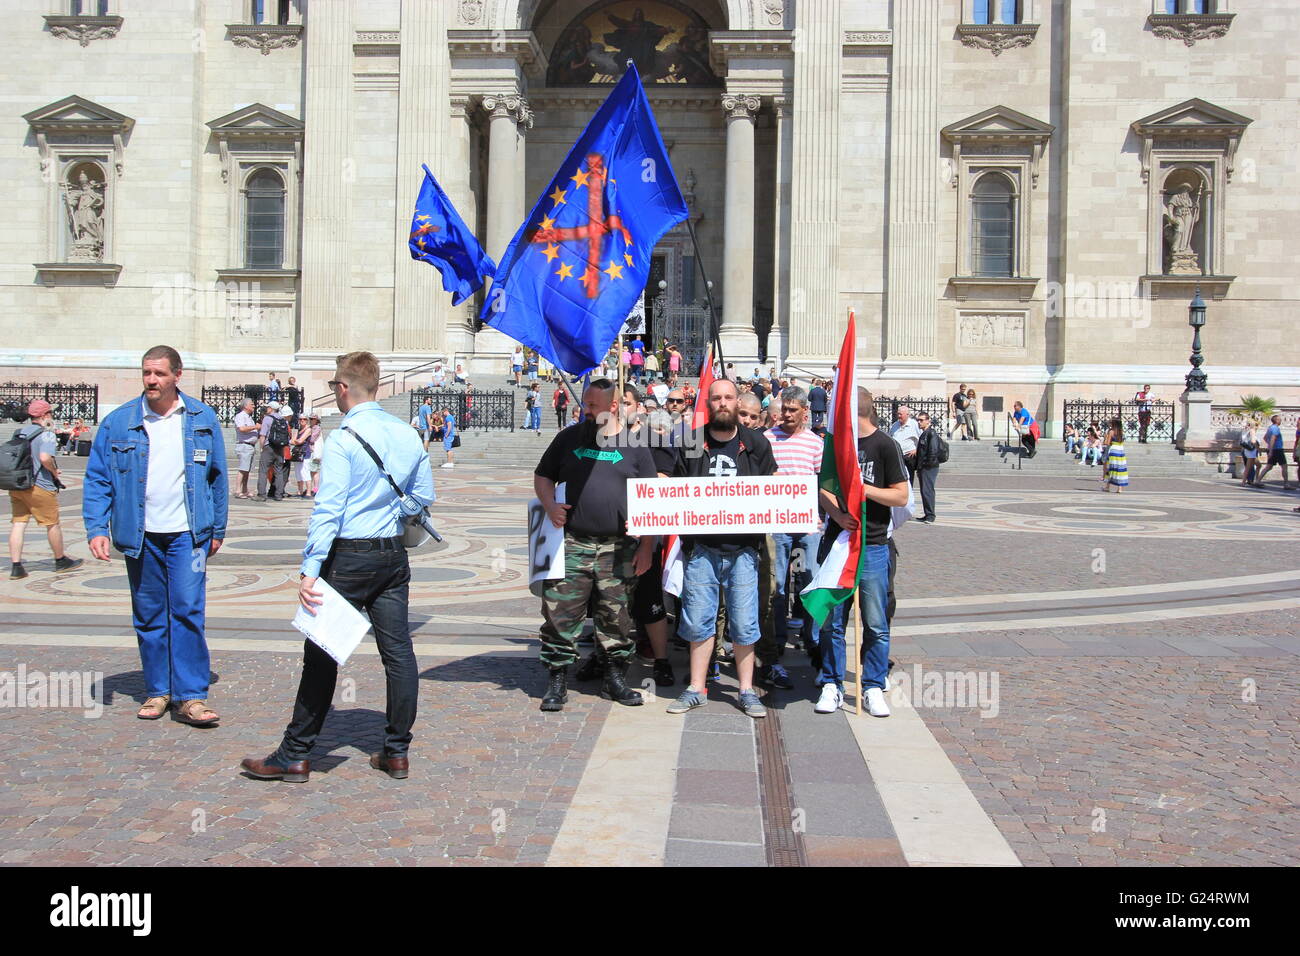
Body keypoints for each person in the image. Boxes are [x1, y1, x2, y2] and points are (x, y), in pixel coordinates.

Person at [242, 350, 434, 783]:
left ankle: (295, 753)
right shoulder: (406, 433)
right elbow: (423, 496)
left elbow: (328, 508)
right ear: (377, 386)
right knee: (399, 654)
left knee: (322, 655)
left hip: (347, 557)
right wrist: (391, 507)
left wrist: (310, 568)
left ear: (343, 389)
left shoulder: (344, 438)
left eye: (334, 386)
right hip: (391, 555)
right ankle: (396, 752)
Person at [82, 346, 227, 725]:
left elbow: (217, 478)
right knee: (148, 616)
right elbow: (98, 478)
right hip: (141, 533)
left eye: (159, 373)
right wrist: (97, 527)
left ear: (177, 375)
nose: (151, 380)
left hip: (188, 533)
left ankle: (191, 695)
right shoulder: (119, 422)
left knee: (187, 610)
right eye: (147, 372)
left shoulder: (201, 417)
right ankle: (158, 690)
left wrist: (218, 528)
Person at [534, 379, 656, 712]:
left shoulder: (635, 446)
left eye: (593, 406)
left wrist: (647, 547)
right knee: (560, 614)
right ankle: (557, 681)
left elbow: (652, 501)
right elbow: (543, 475)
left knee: (616, 616)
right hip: (573, 542)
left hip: (619, 548)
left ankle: (615, 678)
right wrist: (550, 505)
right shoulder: (569, 438)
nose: (585, 410)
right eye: (586, 404)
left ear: (613, 407)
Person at [666, 378, 778, 719]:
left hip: (744, 548)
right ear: (708, 403)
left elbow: (772, 487)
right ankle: (696, 687)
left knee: (744, 623)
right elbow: (671, 487)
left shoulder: (756, 443)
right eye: (717, 398)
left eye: (729, 397)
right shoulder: (690, 443)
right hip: (702, 549)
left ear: (736, 401)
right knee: (699, 620)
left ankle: (746, 690)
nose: (724, 403)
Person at [816, 387, 910, 717]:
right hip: (837, 542)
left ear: (856, 412)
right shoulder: (835, 444)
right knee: (832, 621)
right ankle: (832, 683)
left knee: (875, 621)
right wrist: (838, 514)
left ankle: (872, 685)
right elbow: (824, 488)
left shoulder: (885, 445)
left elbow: (900, 496)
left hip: (873, 545)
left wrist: (863, 488)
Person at [760, 385, 824, 690]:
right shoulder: (767, 439)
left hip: (808, 524)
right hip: (776, 522)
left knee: (811, 581)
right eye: (783, 409)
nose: (785, 414)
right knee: (777, 586)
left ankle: (814, 641)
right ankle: (777, 644)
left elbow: (821, 485)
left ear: (804, 412)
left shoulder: (815, 443)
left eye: (792, 410)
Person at [6, 400, 84, 579]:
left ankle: (16, 566)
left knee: (18, 523)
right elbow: (44, 457)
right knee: (52, 524)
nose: (52, 416)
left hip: (18, 485)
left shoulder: (19, 432)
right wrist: (55, 472)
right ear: (44, 415)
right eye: (50, 413)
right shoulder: (46, 434)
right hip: (39, 486)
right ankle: (60, 560)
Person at [256, 401, 291, 500]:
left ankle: (261, 494)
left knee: (263, 470)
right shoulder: (282, 419)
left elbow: (263, 435)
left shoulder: (267, 418)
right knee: (279, 471)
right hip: (280, 447)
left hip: (269, 446)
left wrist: (262, 447)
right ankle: (279, 494)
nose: (267, 409)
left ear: (271, 408)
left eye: (268, 407)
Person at [914, 411, 943, 523]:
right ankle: (927, 514)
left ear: (928, 421)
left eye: (921, 420)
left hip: (929, 467)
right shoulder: (924, 433)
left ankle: (930, 516)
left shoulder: (931, 433)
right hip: (924, 467)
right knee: (924, 490)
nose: (919, 422)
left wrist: (926, 465)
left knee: (928, 490)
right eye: (918, 420)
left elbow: (933, 451)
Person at [1253, 413, 1292, 489]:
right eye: (1279, 419)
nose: (1281, 420)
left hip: (1272, 449)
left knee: (1269, 466)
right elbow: (1272, 439)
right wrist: (1271, 450)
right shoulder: (1275, 428)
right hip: (1277, 450)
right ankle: (1286, 484)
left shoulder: (1270, 428)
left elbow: (1265, 438)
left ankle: (1258, 480)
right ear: (1276, 420)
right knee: (1284, 466)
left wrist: (1269, 447)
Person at [232, 397, 259, 498]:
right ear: (246, 406)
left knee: (247, 469)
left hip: (250, 446)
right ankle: (238, 490)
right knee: (243, 468)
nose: (254, 406)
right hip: (244, 445)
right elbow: (242, 428)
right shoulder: (240, 416)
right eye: (252, 404)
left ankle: (244, 489)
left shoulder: (249, 417)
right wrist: (255, 427)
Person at [889, 404, 921, 480]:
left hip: (908, 456)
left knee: (908, 478)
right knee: (897, 478)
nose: (899, 416)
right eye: (898, 414)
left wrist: (916, 449)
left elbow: (922, 438)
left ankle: (909, 492)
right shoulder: (894, 425)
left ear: (907, 415)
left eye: (901, 414)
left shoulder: (914, 424)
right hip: (896, 456)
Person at [291, 414, 316, 498]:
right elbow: (293, 440)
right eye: (300, 419)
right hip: (297, 453)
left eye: (304, 419)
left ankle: (309, 492)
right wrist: (295, 441)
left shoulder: (308, 429)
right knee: (298, 473)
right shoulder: (298, 430)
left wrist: (295, 441)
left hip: (305, 453)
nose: (302, 420)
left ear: (307, 420)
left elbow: (300, 441)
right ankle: (300, 491)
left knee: (305, 472)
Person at [1101, 417, 1128, 493]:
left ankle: (1107, 487)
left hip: (1113, 449)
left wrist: (1105, 439)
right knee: (1120, 468)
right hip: (1121, 450)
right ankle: (1120, 488)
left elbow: (1107, 442)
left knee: (1111, 468)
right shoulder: (1121, 432)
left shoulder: (1111, 431)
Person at [1239, 420, 1260, 486]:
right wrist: (1258, 449)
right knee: (1248, 467)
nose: (1257, 427)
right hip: (1251, 451)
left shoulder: (1245, 431)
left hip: (1247, 450)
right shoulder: (1252, 430)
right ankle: (1244, 482)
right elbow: (1253, 441)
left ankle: (1256, 480)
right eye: (1256, 425)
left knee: (1258, 465)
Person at [306, 412, 323, 496]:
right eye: (310, 419)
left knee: (315, 472)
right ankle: (314, 489)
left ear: (316, 420)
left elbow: (312, 439)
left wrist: (306, 434)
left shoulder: (316, 428)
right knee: (313, 472)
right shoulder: (312, 427)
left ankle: (316, 489)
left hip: (315, 453)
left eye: (312, 419)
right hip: (314, 453)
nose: (311, 420)